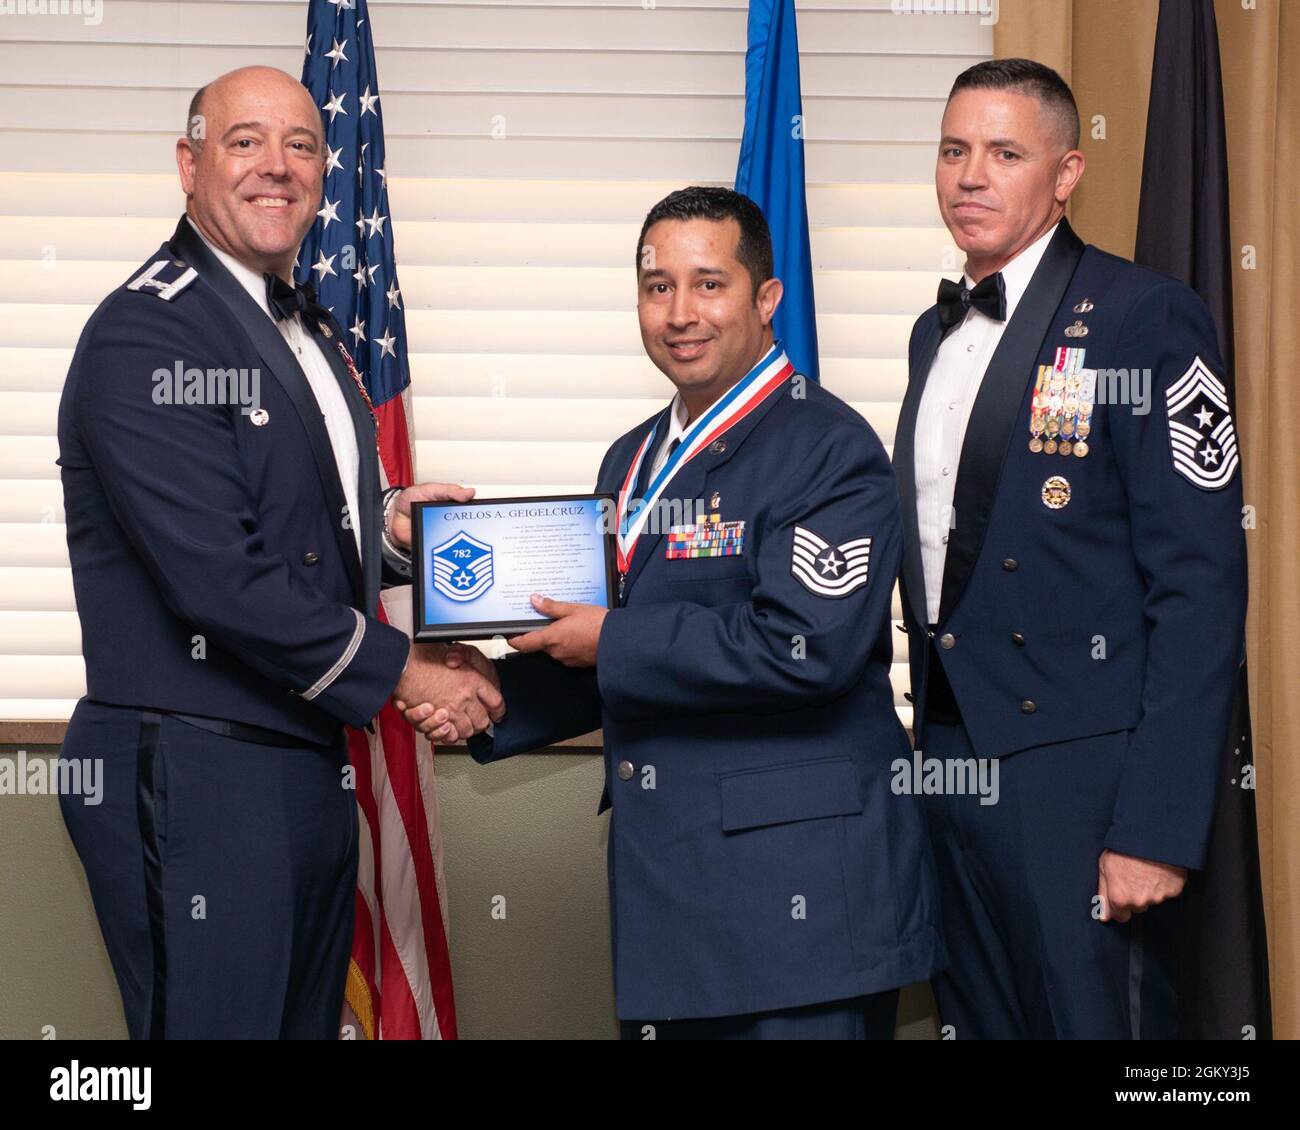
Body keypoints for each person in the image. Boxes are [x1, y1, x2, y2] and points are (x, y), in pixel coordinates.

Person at [400, 187, 945, 1039]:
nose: (680, 313)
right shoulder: (632, 457)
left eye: (709, 284)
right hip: (674, 904)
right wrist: (493, 692)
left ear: (766, 300)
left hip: (797, 909)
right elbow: (612, 658)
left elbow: (805, 650)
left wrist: (607, 638)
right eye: (658, 287)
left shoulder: (828, 448)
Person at [56, 66, 500, 1039]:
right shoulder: (153, 330)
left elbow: (293, 522)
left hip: (296, 760)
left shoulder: (292, 323)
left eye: (301, 144)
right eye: (245, 140)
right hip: (195, 768)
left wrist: (386, 528)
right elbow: (219, 576)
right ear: (189, 163)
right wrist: (410, 673)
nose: (278, 165)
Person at [893, 59, 1247, 1038]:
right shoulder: (932, 331)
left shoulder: (1145, 317)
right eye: (954, 149)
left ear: (1065, 173)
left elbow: (1200, 585)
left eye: (1004, 153)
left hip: (1084, 780)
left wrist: (1155, 826)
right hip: (952, 760)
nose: (970, 175)